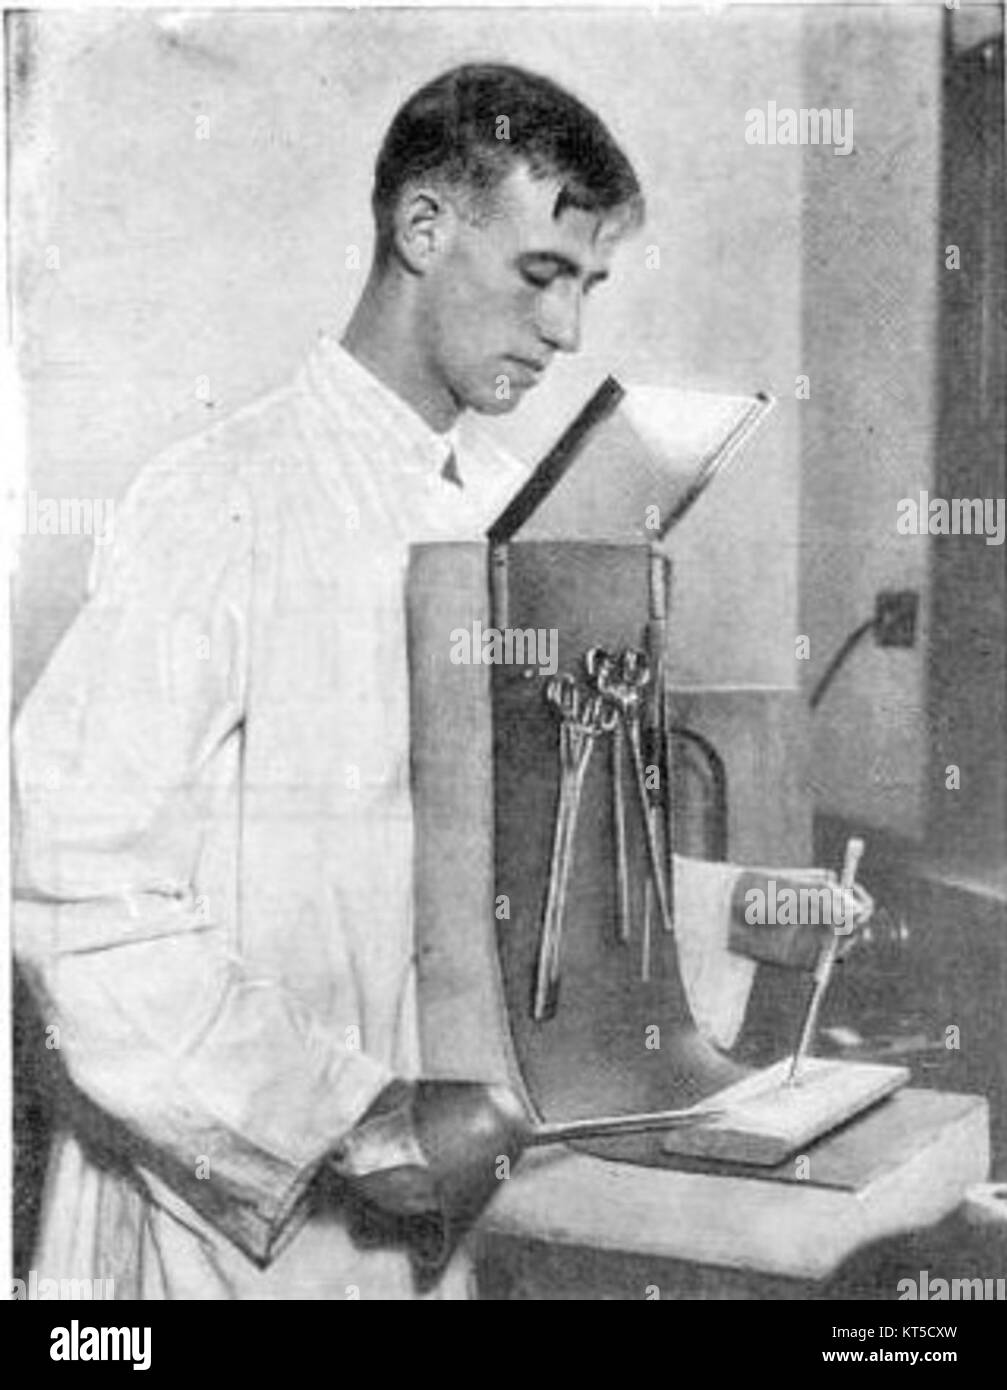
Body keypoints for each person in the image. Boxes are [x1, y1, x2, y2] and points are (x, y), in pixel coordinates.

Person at [12, 62, 648, 1300]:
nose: (568, 331)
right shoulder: (225, 497)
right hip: (229, 1239)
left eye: (586, 286)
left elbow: (506, 855)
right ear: (421, 229)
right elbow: (66, 887)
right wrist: (346, 1117)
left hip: (442, 1219)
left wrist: (743, 913)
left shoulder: (493, 509)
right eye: (540, 275)